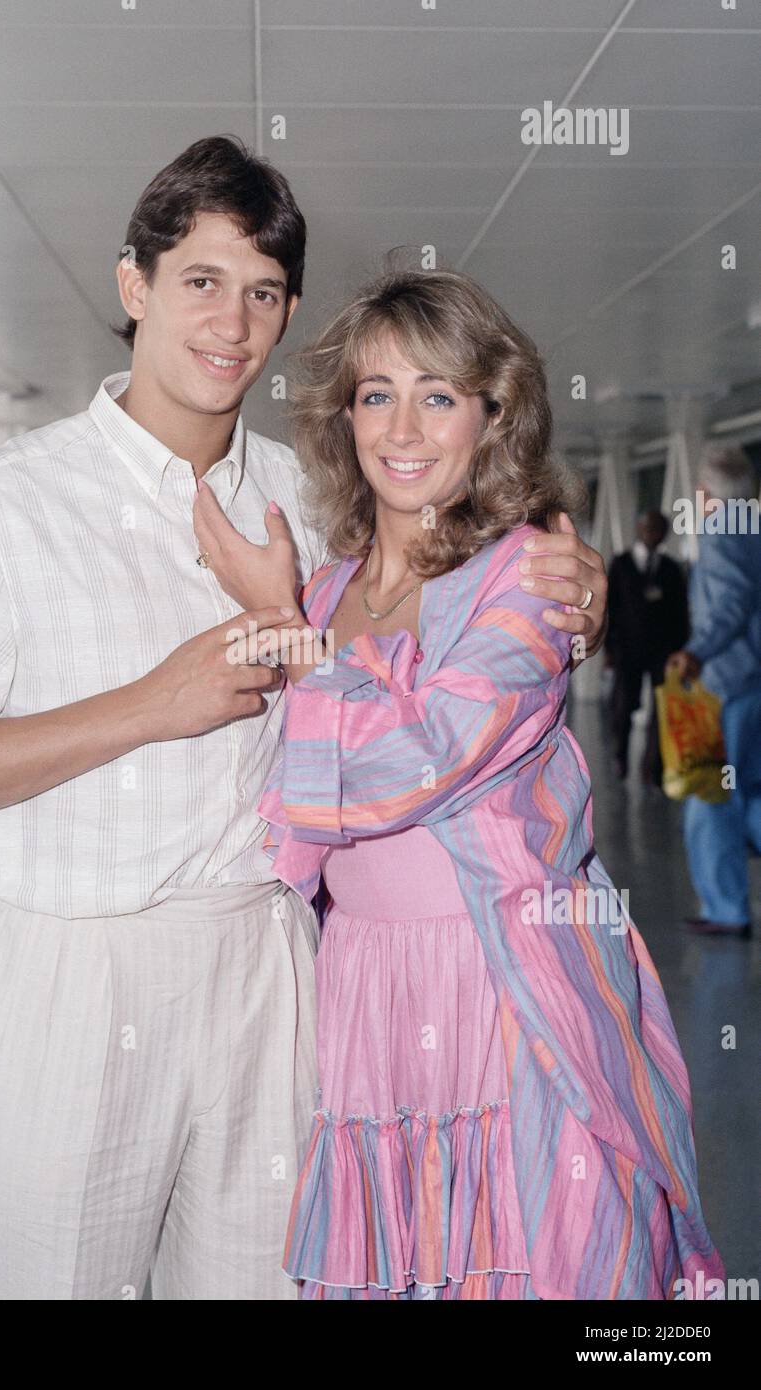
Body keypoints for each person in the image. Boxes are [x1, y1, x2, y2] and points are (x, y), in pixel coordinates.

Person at [0, 136, 608, 1301]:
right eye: (200, 280)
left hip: (272, 961)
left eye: (262, 292)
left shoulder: (315, 502)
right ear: (133, 286)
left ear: (288, 310)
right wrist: (149, 707)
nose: (231, 321)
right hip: (76, 967)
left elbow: (453, 559)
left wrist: (576, 569)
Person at [195, 268, 725, 1300]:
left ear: (491, 416)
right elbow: (290, 809)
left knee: (531, 1247)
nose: (402, 425)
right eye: (375, 392)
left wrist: (296, 642)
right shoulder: (331, 584)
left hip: (502, 980)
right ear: (343, 413)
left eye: (437, 394)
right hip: (368, 989)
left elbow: (416, 755)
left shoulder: (526, 578)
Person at [667, 444, 761, 938]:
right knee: (749, 792)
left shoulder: (725, 530)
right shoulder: (755, 530)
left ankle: (727, 909)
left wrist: (698, 651)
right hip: (753, 682)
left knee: (711, 795)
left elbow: (728, 604)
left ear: (709, 492)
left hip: (725, 682)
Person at [605, 510, 688, 782]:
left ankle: (652, 768)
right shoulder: (621, 564)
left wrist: (681, 650)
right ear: (639, 529)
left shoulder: (671, 569)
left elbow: (680, 614)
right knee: (623, 707)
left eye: (659, 530)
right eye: (649, 528)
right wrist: (608, 650)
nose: (653, 535)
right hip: (627, 649)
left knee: (661, 710)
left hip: (662, 652)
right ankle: (620, 756)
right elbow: (609, 608)